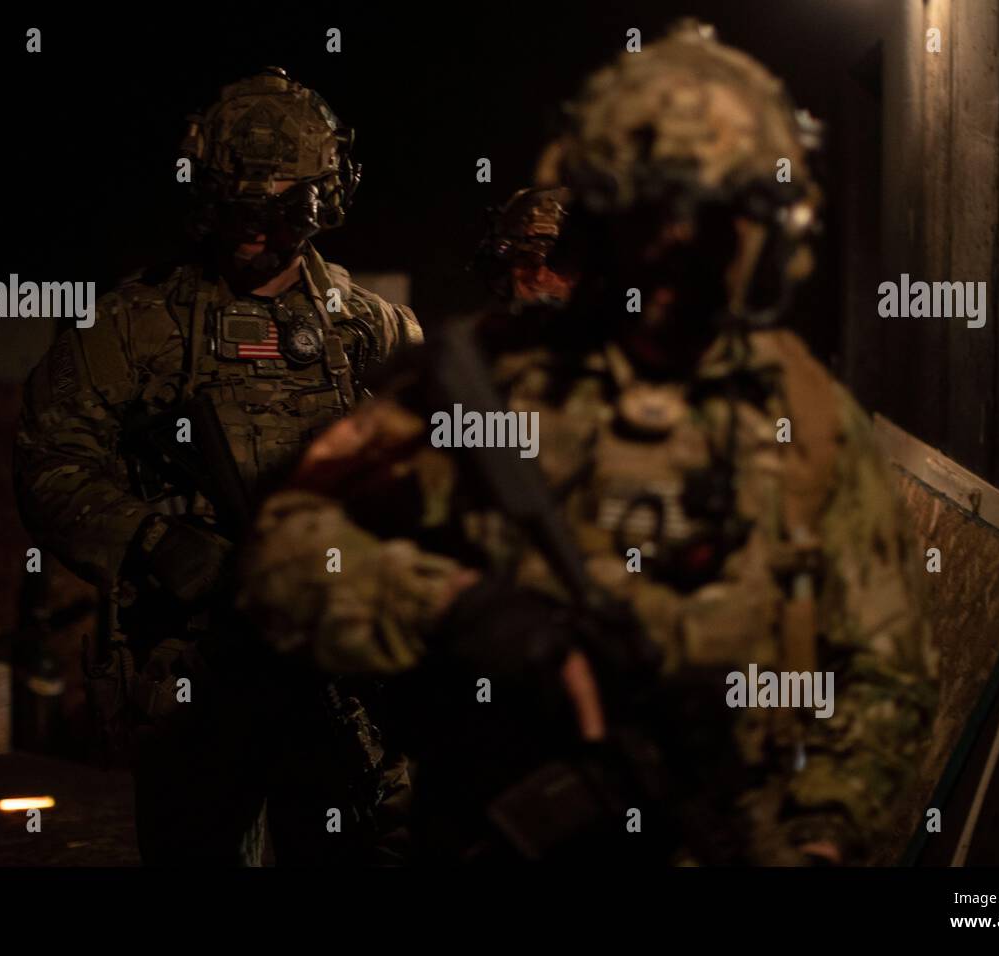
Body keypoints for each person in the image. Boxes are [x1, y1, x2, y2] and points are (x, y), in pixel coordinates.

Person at [238, 22, 937, 864]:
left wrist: (825, 832)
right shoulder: (477, 386)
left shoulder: (805, 414)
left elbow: (888, 673)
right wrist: (459, 608)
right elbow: (284, 551)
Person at [14, 67, 420, 865]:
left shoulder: (364, 326)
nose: (251, 237)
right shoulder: (136, 324)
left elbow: (450, 448)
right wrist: (157, 544)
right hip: (199, 673)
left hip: (331, 676)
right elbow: (48, 459)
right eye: (235, 211)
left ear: (320, 206)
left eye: (277, 215)